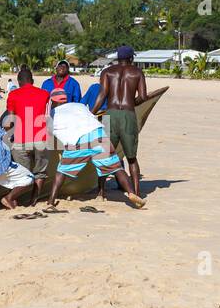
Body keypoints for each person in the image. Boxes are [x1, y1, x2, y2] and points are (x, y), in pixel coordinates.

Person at [47, 89, 145, 208]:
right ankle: (131, 193)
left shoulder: (52, 113)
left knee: (62, 171)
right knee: (116, 168)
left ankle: (51, 201)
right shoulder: (79, 105)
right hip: (98, 134)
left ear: (52, 101)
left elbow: (50, 134)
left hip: (77, 139)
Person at [93, 45, 147, 198]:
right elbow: (143, 97)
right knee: (131, 158)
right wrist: (131, 102)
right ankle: (136, 192)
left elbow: (102, 95)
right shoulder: (137, 72)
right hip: (128, 115)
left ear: (117, 57)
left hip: (110, 114)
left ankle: (101, 191)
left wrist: (91, 113)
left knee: (105, 155)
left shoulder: (107, 72)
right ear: (131, 58)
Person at [2, 67, 52, 205]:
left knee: (23, 175)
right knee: (40, 173)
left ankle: (12, 199)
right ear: (32, 80)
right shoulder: (44, 94)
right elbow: (48, 117)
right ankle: (33, 201)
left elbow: (9, 122)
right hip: (41, 139)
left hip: (21, 140)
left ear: (18, 82)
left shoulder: (13, 94)